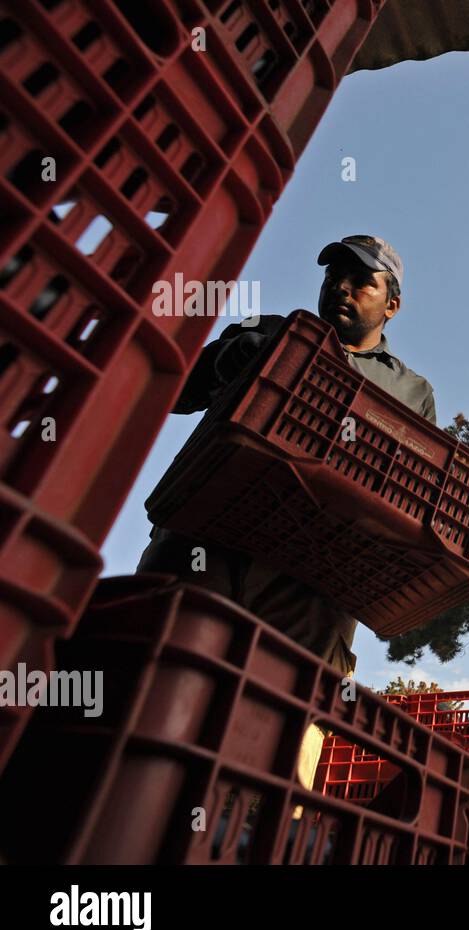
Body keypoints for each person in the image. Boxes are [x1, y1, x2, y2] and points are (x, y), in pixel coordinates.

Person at [139, 234, 436, 675]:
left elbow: (414, 498)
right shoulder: (269, 329)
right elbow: (175, 392)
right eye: (334, 276)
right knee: (154, 673)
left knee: (277, 711)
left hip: (314, 584)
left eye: (361, 281)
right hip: (207, 542)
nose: (340, 287)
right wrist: (225, 356)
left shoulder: (413, 391)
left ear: (391, 305)